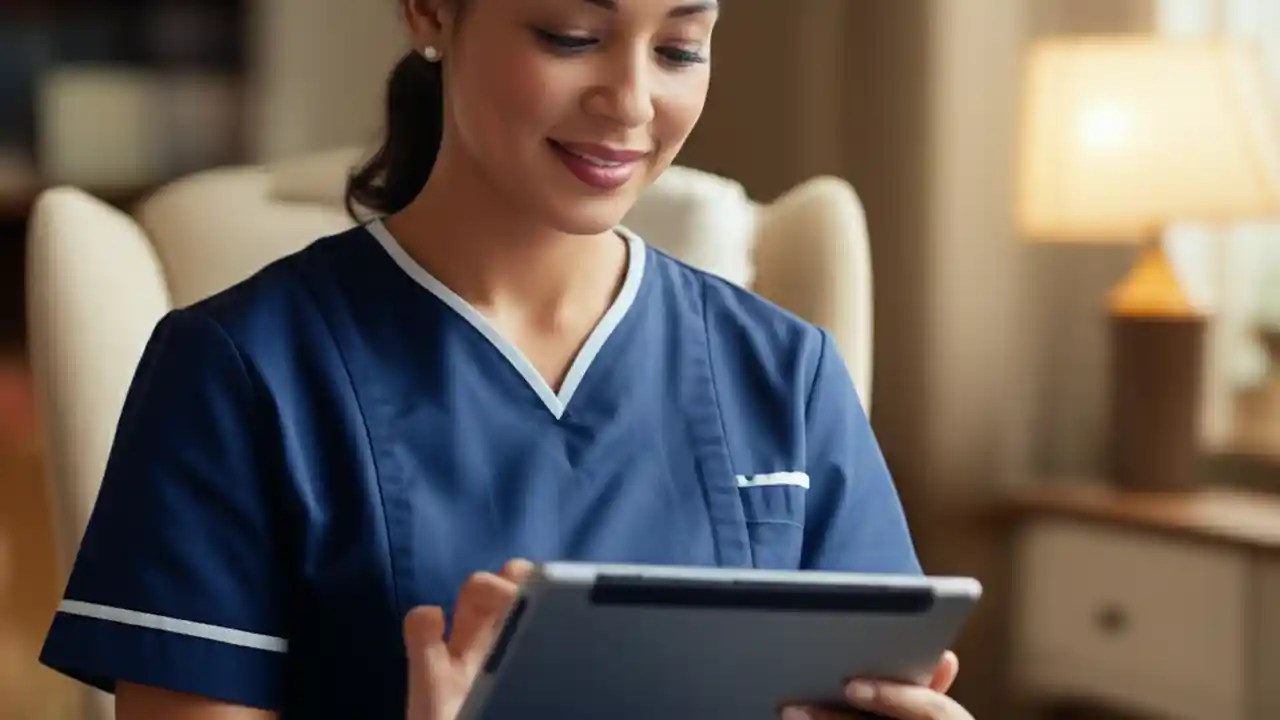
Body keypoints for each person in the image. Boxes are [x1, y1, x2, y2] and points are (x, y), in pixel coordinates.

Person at [40, 1, 976, 718]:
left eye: (680, 48)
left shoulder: (784, 373)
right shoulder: (240, 371)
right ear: (429, 10)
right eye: (572, 35)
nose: (632, 101)